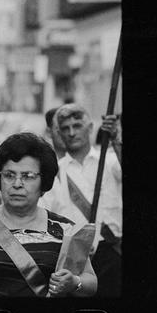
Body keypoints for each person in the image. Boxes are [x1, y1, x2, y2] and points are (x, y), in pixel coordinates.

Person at [0, 132, 98, 298]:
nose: (17, 184)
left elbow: (90, 281)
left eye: (28, 176)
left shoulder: (64, 229)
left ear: (44, 181)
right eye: (9, 175)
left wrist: (74, 282)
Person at [40, 104, 122, 296]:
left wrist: (116, 139)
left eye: (77, 126)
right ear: (58, 133)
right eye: (65, 128)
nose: (71, 133)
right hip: (75, 259)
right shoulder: (55, 172)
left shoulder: (111, 161)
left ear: (91, 127)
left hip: (112, 253)